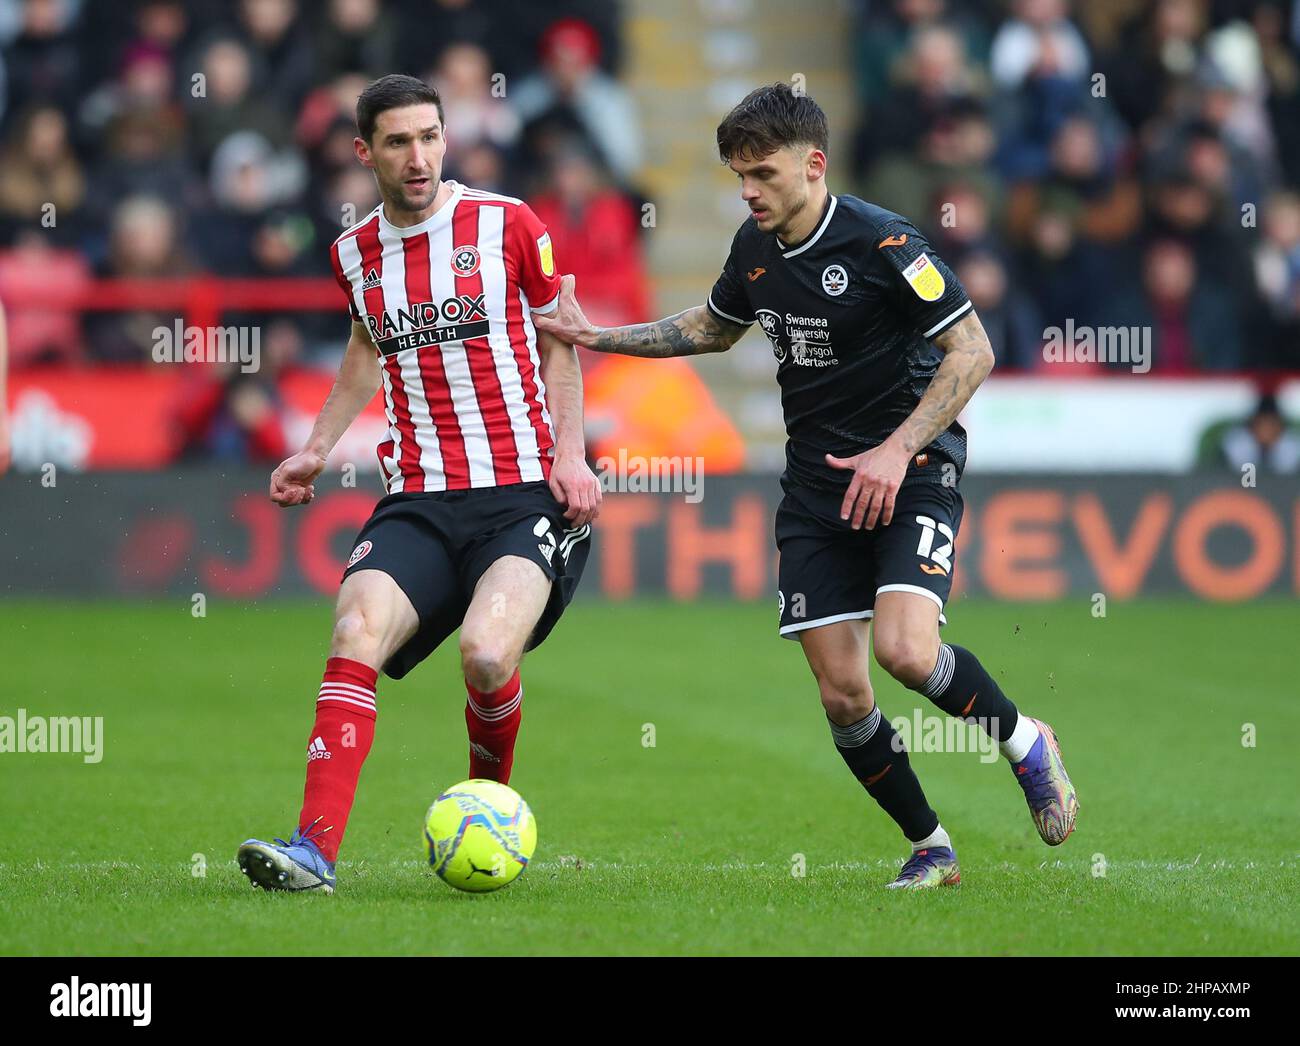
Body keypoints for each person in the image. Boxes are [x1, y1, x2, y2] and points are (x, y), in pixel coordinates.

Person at [534, 83, 1078, 890]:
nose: (748, 190)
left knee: (903, 652)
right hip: (816, 488)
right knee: (842, 692)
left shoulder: (885, 243)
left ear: (813, 165)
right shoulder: (753, 249)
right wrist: (597, 337)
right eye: (737, 176)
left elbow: (973, 352)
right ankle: (930, 845)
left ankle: (1027, 743)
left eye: (761, 173)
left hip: (911, 470)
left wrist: (896, 451)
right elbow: (713, 328)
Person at [237, 75, 600, 893]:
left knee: (483, 654)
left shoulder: (508, 223)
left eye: (430, 136)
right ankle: (313, 852)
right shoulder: (351, 254)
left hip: (521, 494)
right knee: (354, 629)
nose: (419, 156)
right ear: (363, 151)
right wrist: (316, 447)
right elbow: (367, 347)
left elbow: (560, 342)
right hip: (421, 496)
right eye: (398, 142)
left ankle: (492, 806)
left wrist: (571, 455)